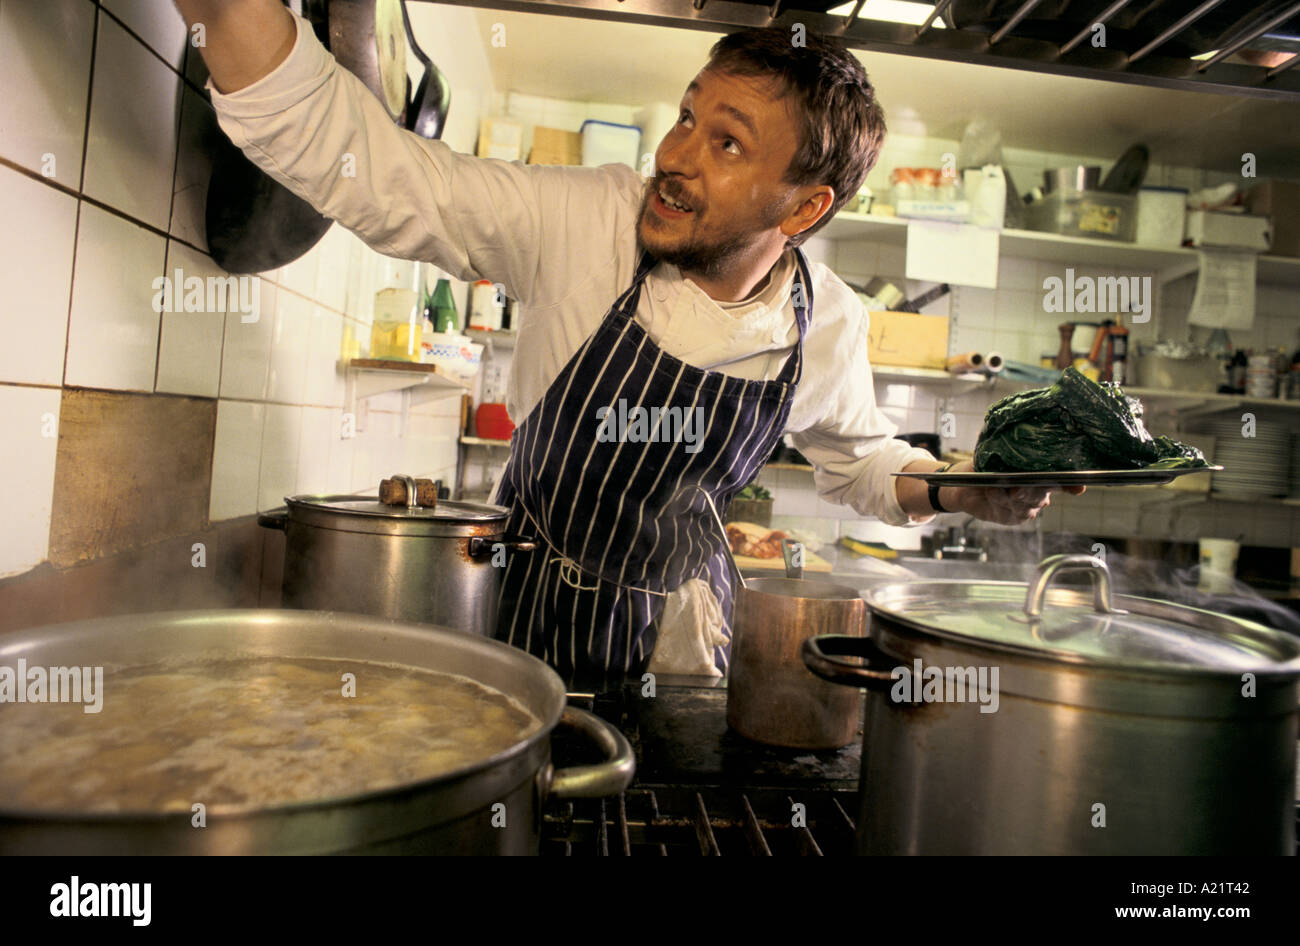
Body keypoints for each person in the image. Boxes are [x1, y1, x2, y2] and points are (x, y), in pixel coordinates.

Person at [176, 1, 1082, 685]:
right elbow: (386, 173)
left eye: (727, 143)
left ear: (804, 208)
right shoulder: (586, 220)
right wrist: (225, 12)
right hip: (520, 607)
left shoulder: (828, 322)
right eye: (688, 117)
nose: (678, 155)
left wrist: (960, 491)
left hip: (682, 639)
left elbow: (860, 465)